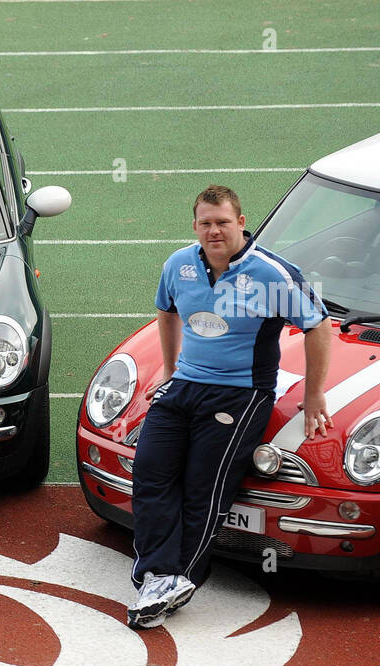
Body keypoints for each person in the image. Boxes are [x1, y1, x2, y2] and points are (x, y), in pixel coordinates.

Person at [127, 185, 333, 628]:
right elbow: (166, 311)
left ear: (241, 222)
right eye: (205, 222)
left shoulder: (271, 274)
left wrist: (314, 393)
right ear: (195, 226)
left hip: (240, 394)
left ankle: (179, 577)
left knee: (205, 487)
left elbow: (318, 326)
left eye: (222, 221)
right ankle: (159, 575)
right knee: (150, 472)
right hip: (183, 386)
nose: (214, 230)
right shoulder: (179, 265)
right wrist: (168, 367)